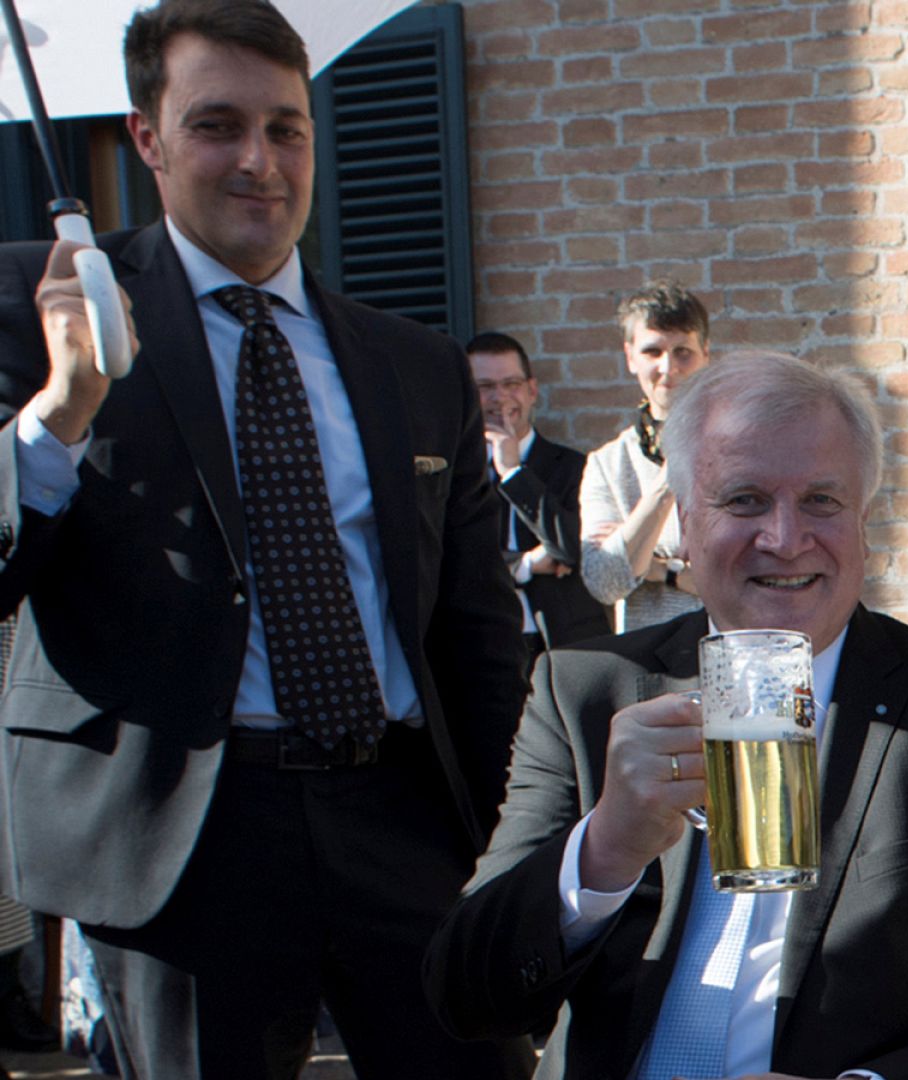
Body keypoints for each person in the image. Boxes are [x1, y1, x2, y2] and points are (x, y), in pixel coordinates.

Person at [0, 1, 530, 1075]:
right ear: (147, 138)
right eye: (217, 125)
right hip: (183, 835)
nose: (260, 161)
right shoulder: (41, 308)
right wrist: (61, 411)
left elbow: (474, 629)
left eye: (286, 128)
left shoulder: (414, 363)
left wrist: (520, 834)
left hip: (403, 814)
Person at [425, 352, 908, 1079]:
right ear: (684, 524)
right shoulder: (586, 692)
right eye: (744, 500)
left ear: (863, 520)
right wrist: (605, 849)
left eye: (822, 501)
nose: (784, 537)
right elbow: (465, 996)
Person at [468, 331, 612, 665]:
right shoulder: (457, 477)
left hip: (566, 647)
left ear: (532, 390)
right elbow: (457, 561)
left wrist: (513, 474)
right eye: (485, 386)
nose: (500, 397)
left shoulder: (575, 467)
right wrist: (527, 564)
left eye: (511, 384)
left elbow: (574, 550)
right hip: (484, 648)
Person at [579, 281, 710, 634]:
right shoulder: (607, 464)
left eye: (683, 352)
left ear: (705, 354)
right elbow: (605, 581)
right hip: (653, 653)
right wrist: (670, 477)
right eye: (653, 351)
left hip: (738, 644)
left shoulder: (742, 446)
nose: (668, 367)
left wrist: (654, 566)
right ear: (630, 357)